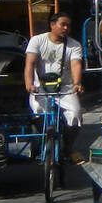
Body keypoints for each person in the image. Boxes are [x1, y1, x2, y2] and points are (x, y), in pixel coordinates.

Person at [24, 12, 85, 182]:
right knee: (38, 111)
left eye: (68, 25)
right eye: (62, 24)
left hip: (64, 87)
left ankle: (68, 147)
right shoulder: (37, 41)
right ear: (52, 25)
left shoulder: (74, 45)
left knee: (75, 114)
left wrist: (77, 83)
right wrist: (29, 83)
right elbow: (29, 64)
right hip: (40, 86)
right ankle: (46, 139)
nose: (66, 28)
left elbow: (76, 64)